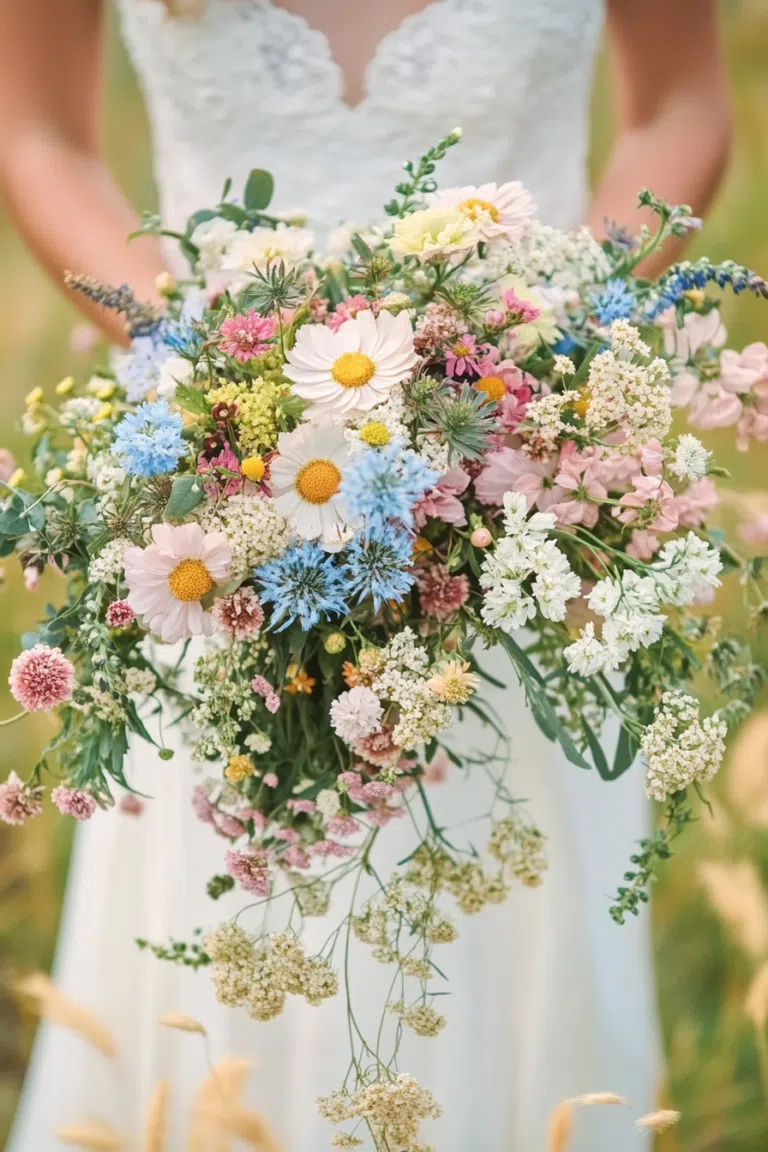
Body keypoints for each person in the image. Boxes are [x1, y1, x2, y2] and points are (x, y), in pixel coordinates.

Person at [1, 2, 731, 1149]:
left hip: (517, 480)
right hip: (221, 522)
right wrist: (188, 358)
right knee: (234, 901)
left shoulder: (526, 422)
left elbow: (684, 102)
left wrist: (534, 339)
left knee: (509, 913)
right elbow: (37, 131)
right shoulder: (214, 471)